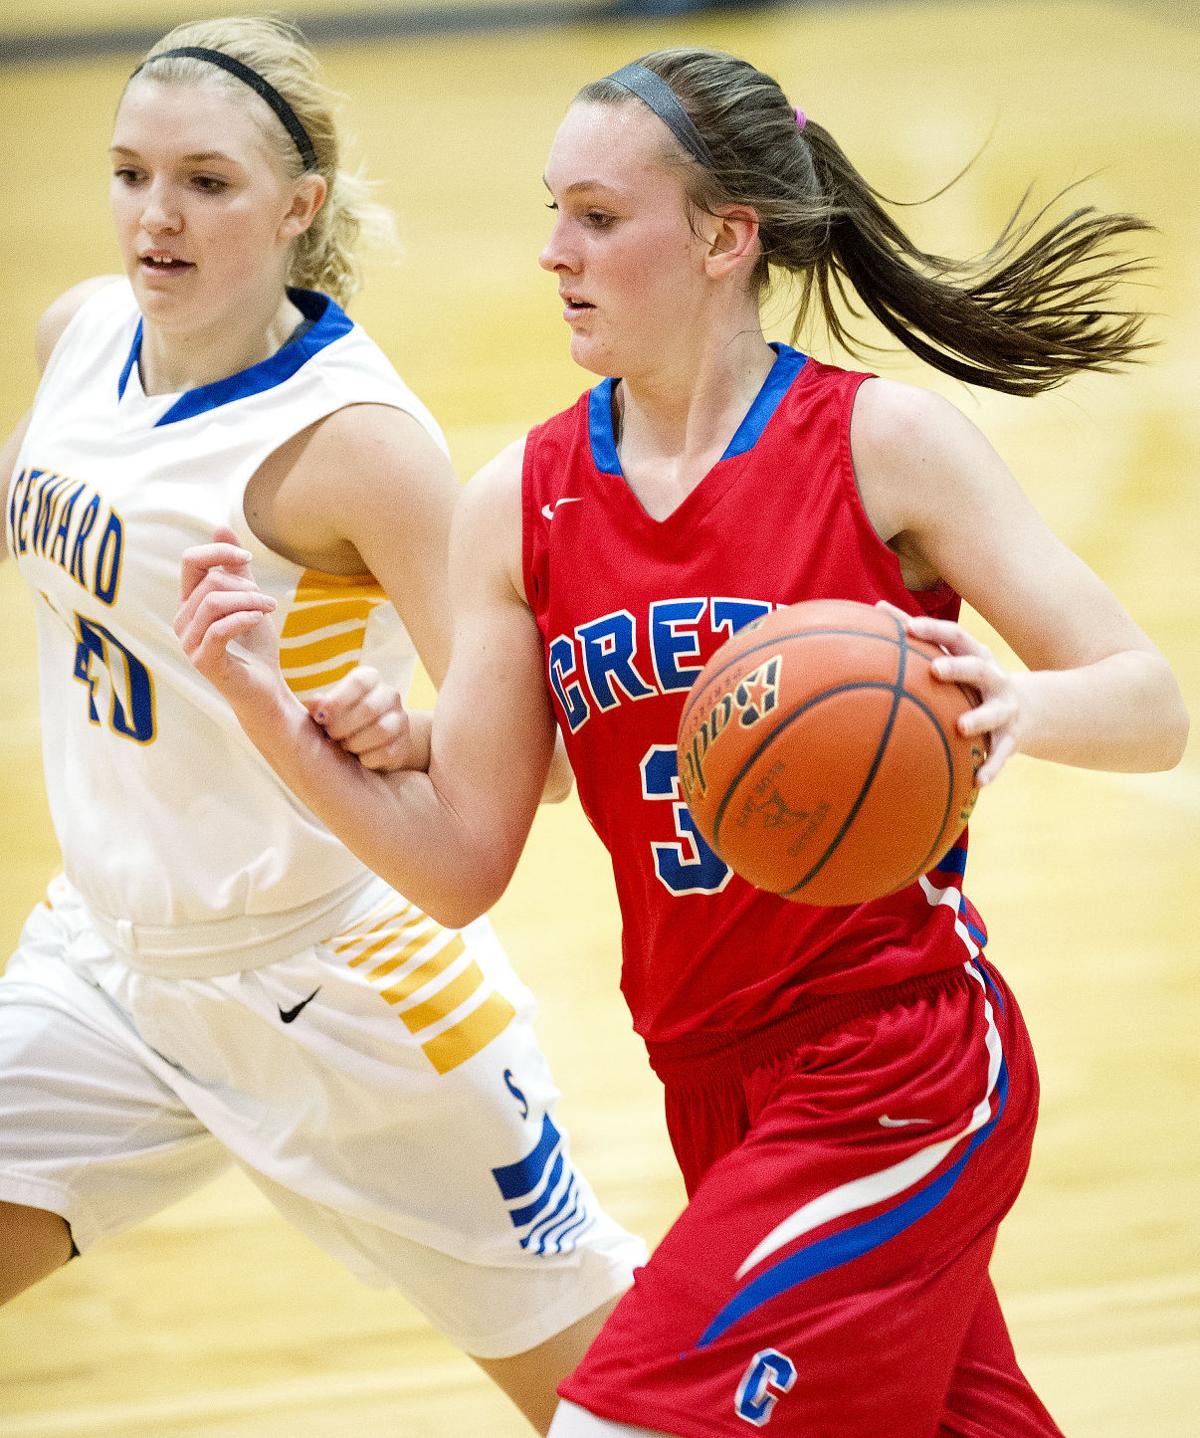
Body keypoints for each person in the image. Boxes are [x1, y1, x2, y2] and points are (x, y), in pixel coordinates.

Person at [178, 47, 1189, 1438]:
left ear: (726, 239)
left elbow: (1151, 702)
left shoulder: (878, 442)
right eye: (553, 211)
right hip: (707, 1082)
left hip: (896, 1064)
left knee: (623, 1423)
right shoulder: (518, 501)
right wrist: (278, 718)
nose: (555, 251)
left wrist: (1021, 708)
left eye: (598, 217)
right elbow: (464, 862)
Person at [0, 16, 648, 1434]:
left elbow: (527, 774)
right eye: (130, 172)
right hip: (104, 961)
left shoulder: (356, 440)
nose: (155, 216)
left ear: (300, 205)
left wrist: (400, 724)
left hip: (340, 989)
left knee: (619, 1409)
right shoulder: (81, 335)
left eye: (206, 183)